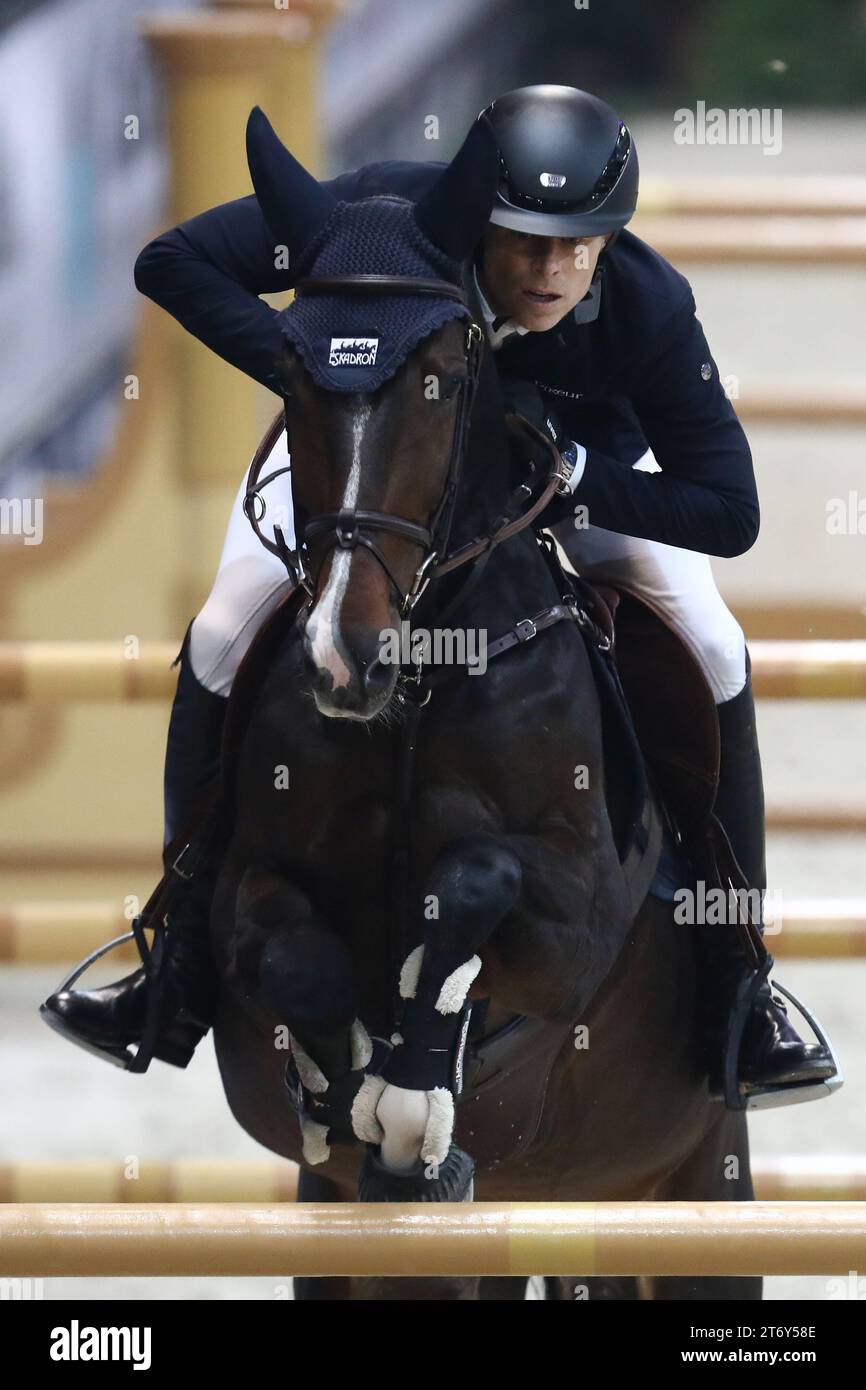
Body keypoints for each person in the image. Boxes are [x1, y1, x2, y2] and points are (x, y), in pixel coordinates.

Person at [42, 84, 836, 1102]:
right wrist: (306, 373)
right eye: (524, 244)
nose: (553, 271)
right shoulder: (378, 221)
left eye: (579, 244)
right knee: (220, 628)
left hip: (564, 486)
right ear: (472, 221)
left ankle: (736, 974)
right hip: (367, 480)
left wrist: (576, 471)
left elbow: (727, 511)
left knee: (715, 644)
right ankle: (178, 951)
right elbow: (173, 261)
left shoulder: (642, 302)